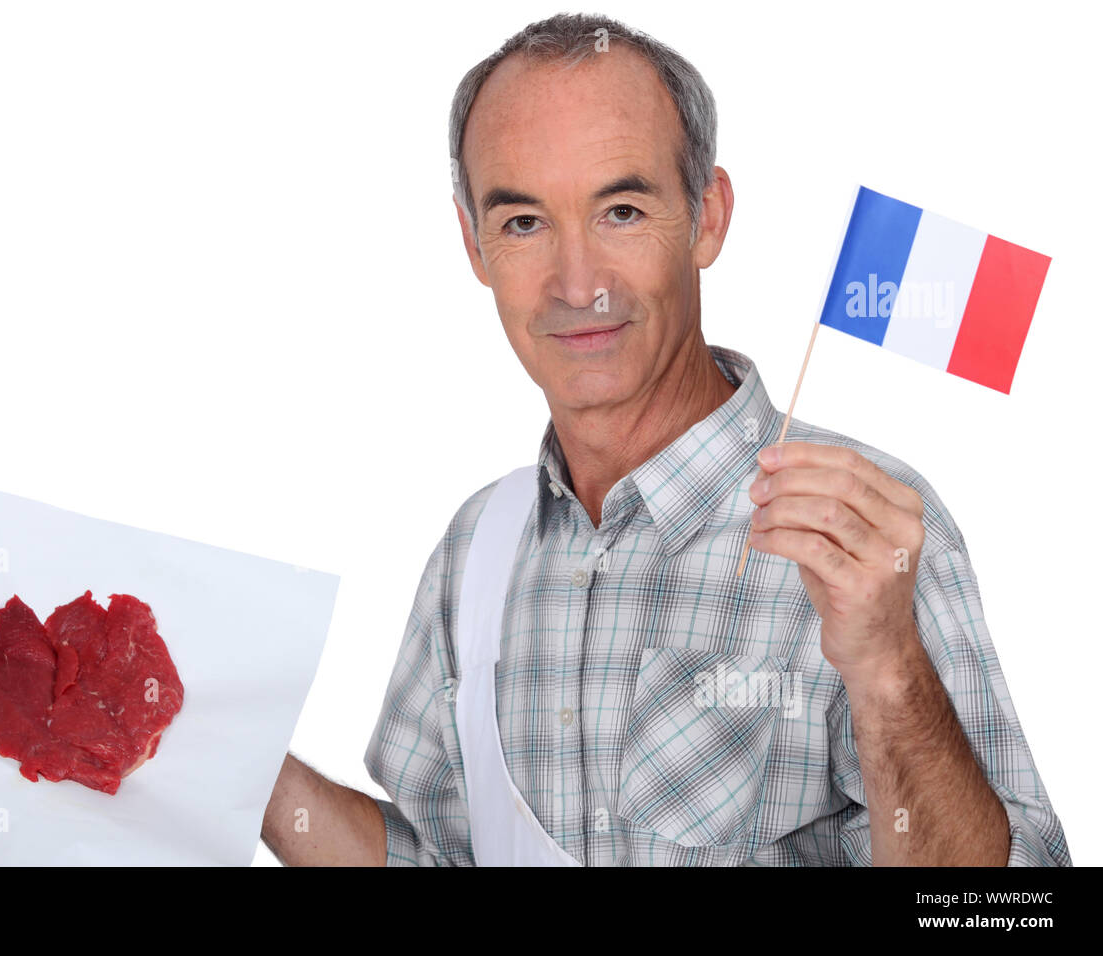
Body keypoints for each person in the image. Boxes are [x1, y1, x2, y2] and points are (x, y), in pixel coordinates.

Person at [260, 11, 1070, 866]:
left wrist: (889, 670)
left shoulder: (863, 532)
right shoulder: (477, 549)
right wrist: (244, 769)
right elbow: (443, 860)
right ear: (474, 243)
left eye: (621, 209)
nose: (579, 286)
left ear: (707, 217)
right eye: (525, 222)